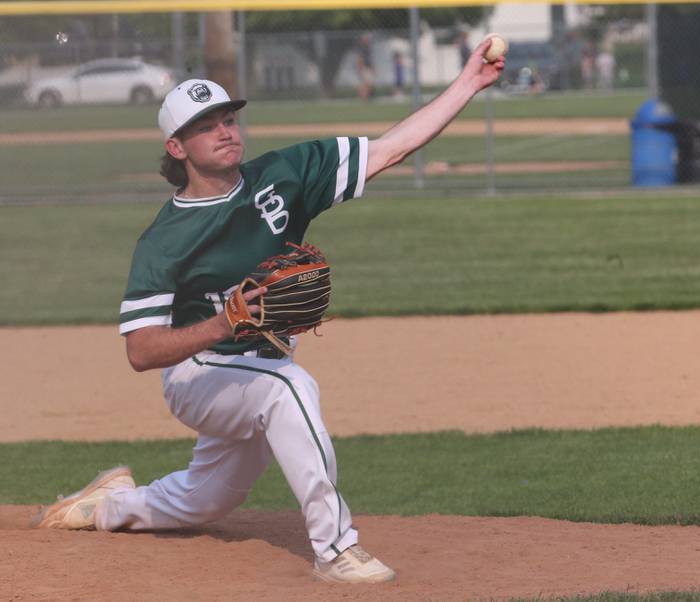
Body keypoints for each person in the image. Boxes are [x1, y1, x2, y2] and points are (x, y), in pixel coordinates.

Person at [31, 39, 504, 584]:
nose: (225, 131)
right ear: (177, 147)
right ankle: (336, 549)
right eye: (206, 126)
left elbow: (389, 150)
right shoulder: (164, 240)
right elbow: (140, 351)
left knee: (206, 499)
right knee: (289, 390)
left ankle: (106, 506)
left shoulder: (282, 173)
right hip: (199, 374)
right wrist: (222, 323)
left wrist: (469, 82)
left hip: (260, 364)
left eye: (228, 119)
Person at [355, 33, 375, 101]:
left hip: (368, 67)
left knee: (368, 83)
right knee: (366, 83)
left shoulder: (368, 48)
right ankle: (363, 97)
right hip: (364, 67)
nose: (368, 41)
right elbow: (360, 59)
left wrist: (372, 68)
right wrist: (360, 67)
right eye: (366, 39)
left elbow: (369, 60)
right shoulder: (361, 49)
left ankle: (364, 97)